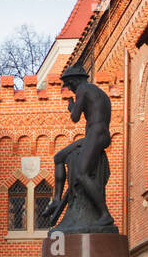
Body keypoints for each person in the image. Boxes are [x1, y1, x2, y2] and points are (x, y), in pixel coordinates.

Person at [38, 64, 116, 232]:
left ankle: (104, 214)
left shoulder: (83, 89)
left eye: (69, 85)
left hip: (96, 134)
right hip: (94, 135)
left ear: (74, 81)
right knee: (59, 157)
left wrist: (71, 106)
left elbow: (75, 117)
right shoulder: (99, 93)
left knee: (82, 173)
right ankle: (57, 199)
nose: (70, 89)